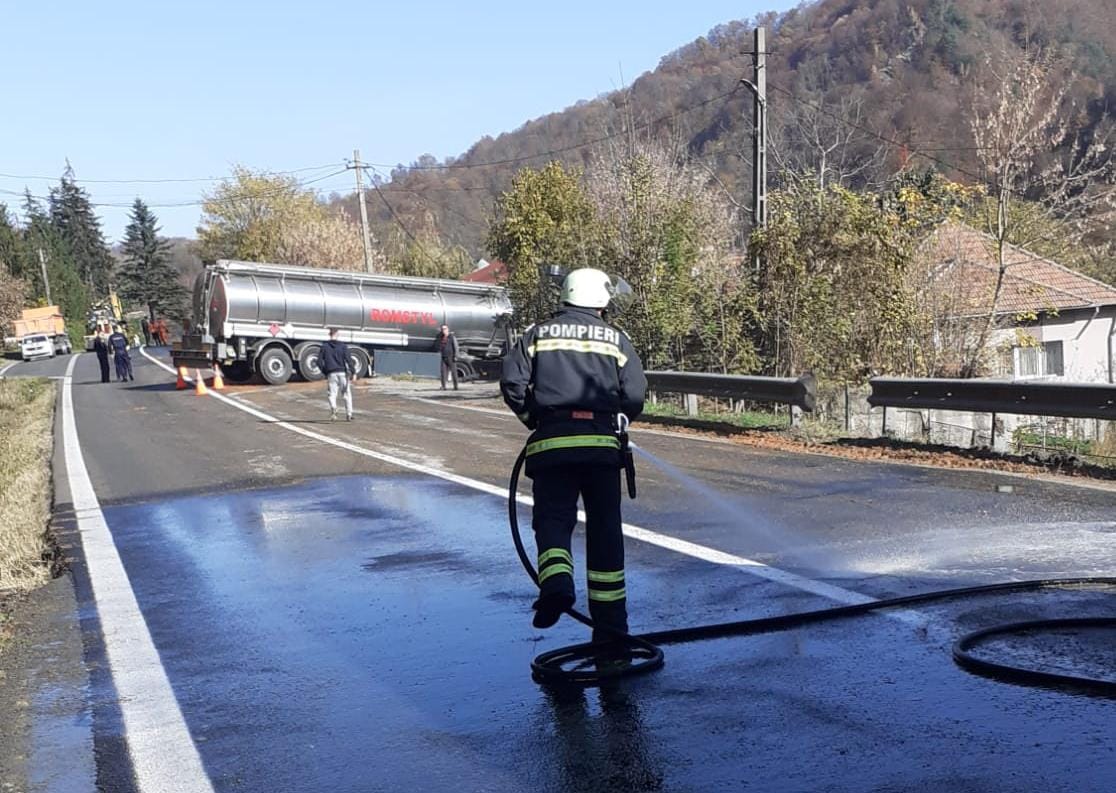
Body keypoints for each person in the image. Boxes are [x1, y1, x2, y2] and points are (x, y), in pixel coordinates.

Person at [500, 267, 646, 642]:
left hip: (553, 447)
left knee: (552, 522)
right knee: (605, 534)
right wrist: (618, 418)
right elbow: (635, 395)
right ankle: (611, 630)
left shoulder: (537, 334)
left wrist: (534, 417)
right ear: (601, 300)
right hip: (601, 450)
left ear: (566, 295)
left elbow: (511, 382)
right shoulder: (616, 338)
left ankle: (557, 586)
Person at [319, 328, 355, 421]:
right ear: (337, 334)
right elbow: (349, 360)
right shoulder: (343, 346)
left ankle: (334, 408)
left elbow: (318, 362)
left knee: (332, 394)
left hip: (331, 373)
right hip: (342, 373)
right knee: (346, 394)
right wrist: (353, 372)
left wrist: (325, 371)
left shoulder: (324, 346)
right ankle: (349, 414)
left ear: (329, 334)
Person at [434, 324, 460, 390]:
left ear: (448, 329)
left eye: (445, 329)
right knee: (443, 372)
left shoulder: (452, 337)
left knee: (454, 372)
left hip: (451, 357)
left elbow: (456, 347)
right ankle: (443, 386)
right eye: (442, 329)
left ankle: (456, 386)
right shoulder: (441, 337)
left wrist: (456, 356)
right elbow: (439, 346)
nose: (443, 330)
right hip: (443, 357)